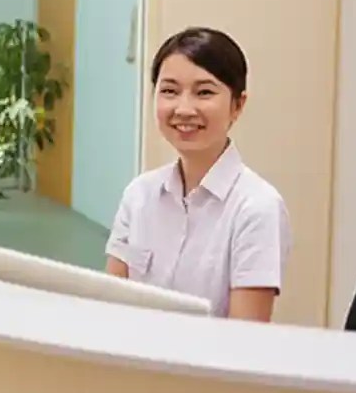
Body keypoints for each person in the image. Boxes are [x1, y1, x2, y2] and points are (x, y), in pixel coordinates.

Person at [105, 27, 290, 321]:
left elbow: (247, 338)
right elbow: (109, 307)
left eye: (204, 92)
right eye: (169, 91)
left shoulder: (257, 207)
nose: (184, 108)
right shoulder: (139, 195)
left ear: (237, 105)